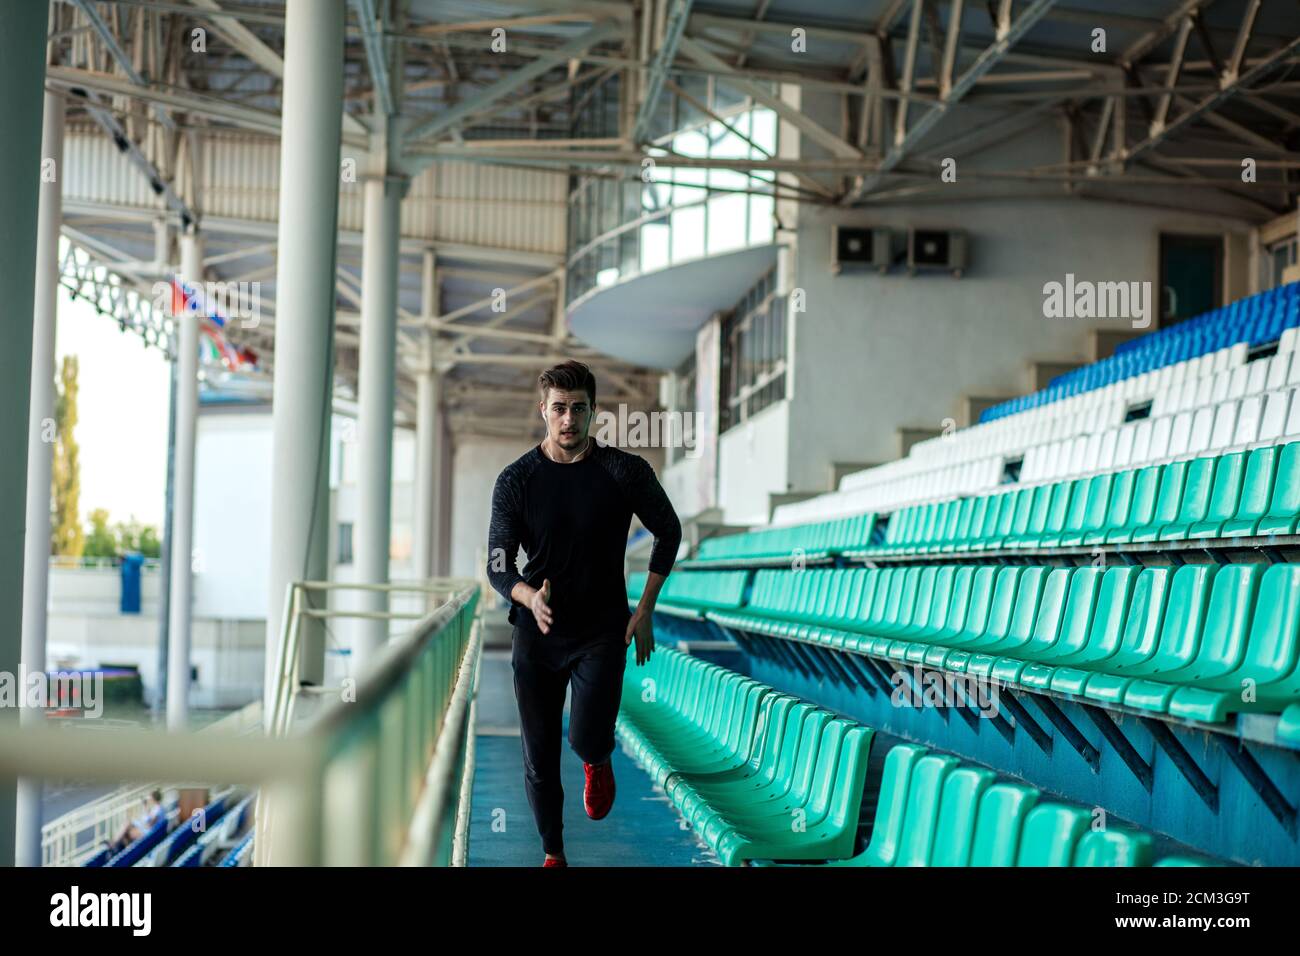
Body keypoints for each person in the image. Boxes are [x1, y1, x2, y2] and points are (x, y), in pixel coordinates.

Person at [487, 360, 682, 867]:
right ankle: (554, 853)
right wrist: (528, 597)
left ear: (594, 412)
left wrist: (645, 609)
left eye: (578, 409)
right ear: (543, 412)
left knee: (586, 736)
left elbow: (670, 531)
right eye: (558, 409)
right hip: (538, 630)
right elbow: (497, 564)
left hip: (602, 628)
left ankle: (597, 758)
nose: (567, 419)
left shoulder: (624, 471)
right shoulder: (517, 479)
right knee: (539, 755)